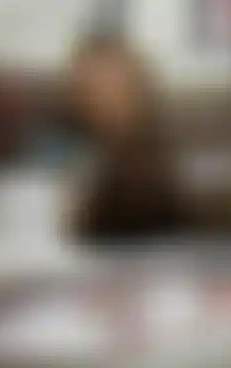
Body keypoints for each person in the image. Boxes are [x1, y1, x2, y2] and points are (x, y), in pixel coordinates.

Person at [66, 35, 184, 241]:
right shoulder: (71, 147)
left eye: (113, 84)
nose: (102, 97)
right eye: (90, 87)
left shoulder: (152, 161)